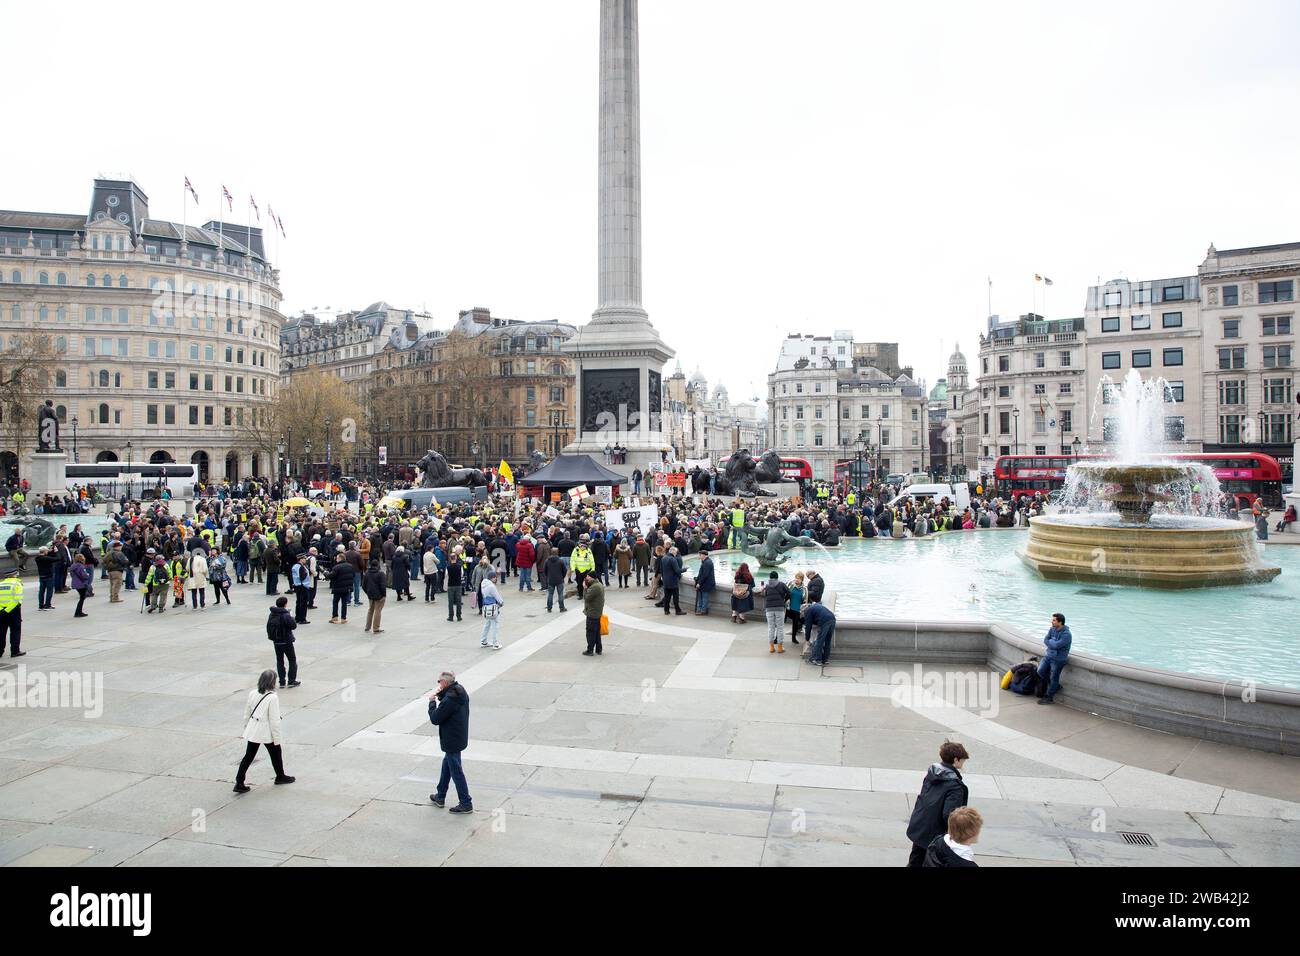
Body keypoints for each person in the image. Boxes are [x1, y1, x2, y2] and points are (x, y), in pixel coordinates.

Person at [905, 741, 970, 867]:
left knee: (915, 860)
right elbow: (950, 815)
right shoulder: (955, 786)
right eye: (962, 760)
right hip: (935, 834)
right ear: (956, 760)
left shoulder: (933, 774)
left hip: (921, 825)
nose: (963, 762)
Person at [233, 669, 295, 793]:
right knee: (276, 753)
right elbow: (274, 720)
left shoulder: (252, 693)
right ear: (272, 682)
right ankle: (280, 776)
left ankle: (239, 781)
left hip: (254, 730)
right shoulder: (272, 697)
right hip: (265, 732)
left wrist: (247, 728)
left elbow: (247, 713)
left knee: (248, 756)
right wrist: (277, 738)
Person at [428, 670, 473, 814]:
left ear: (445, 682)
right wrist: (440, 693)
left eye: (439, 681)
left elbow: (435, 718)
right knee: (446, 765)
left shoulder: (450, 699)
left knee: (456, 771)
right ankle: (440, 796)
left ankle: (466, 802)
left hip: (451, 739)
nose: (438, 683)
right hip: (458, 736)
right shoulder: (459, 691)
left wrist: (431, 702)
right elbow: (448, 704)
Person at [1037, 612, 1072, 705]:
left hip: (1058, 659)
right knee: (1040, 671)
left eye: (1054, 620)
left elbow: (1056, 645)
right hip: (1048, 656)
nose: (1051, 622)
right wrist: (1052, 643)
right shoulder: (1052, 629)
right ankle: (1055, 686)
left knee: (1054, 677)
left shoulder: (1066, 634)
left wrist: (1051, 642)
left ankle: (1049, 697)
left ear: (1060, 622)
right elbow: (1045, 640)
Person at [267, 595, 300, 688]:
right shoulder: (285, 615)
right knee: (292, 660)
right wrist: (291, 616)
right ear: (285, 604)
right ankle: (291, 680)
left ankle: (282, 681)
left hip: (276, 641)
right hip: (286, 640)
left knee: (280, 660)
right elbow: (293, 626)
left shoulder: (272, 614)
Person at [761, 571, 790, 653]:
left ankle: (771, 647)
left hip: (769, 609)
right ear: (777, 577)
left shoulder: (767, 586)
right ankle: (780, 648)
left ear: (770, 577)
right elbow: (789, 593)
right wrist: (784, 600)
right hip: (780, 608)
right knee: (780, 627)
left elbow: (765, 595)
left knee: (771, 627)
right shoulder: (781, 584)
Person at [0, 567, 24, 658]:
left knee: (1, 632)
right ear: (15, 574)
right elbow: (17, 600)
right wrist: (8, 609)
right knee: (15, 631)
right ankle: (15, 651)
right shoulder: (17, 584)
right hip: (14, 611)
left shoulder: (1, 584)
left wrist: (2, 609)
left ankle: (0, 651)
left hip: (1, 611)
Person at [803, 600, 836, 666]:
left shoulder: (807, 611)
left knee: (819, 641)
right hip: (832, 619)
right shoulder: (815, 606)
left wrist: (807, 639)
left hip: (825, 621)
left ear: (803, 611)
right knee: (827, 641)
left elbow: (808, 626)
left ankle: (817, 660)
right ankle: (825, 659)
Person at [328, 546, 355, 623]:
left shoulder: (336, 567)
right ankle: (343, 618)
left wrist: (326, 573)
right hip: (347, 587)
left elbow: (331, 576)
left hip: (338, 587)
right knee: (344, 603)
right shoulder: (350, 566)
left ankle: (335, 616)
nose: (336, 559)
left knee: (335, 602)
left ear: (340, 559)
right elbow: (353, 575)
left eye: (337, 558)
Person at [479, 568, 503, 649]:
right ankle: (495, 643)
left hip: (486, 607)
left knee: (487, 624)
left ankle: (483, 641)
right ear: (492, 578)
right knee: (495, 625)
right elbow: (497, 597)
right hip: (493, 608)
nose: (496, 578)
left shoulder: (483, 584)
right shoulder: (491, 586)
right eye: (495, 577)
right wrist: (502, 602)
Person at [582, 571, 605, 656]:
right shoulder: (598, 585)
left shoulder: (595, 587)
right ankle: (598, 649)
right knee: (596, 632)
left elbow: (587, 598)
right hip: (597, 612)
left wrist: (584, 588)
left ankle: (590, 650)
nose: (586, 578)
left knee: (590, 632)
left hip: (593, 612)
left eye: (587, 576)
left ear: (591, 577)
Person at [362, 558, 387, 633]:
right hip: (379, 595)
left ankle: (367, 626)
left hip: (370, 594)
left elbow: (363, 585)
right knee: (377, 611)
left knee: (370, 610)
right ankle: (376, 628)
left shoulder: (367, 573)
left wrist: (368, 592)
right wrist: (384, 595)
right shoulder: (381, 574)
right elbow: (383, 586)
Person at [659, 546, 685, 615]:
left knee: (667, 596)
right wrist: (685, 569)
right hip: (673, 581)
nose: (676, 553)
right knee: (675, 597)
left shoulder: (664, 558)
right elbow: (677, 571)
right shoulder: (673, 559)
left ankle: (666, 610)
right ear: (673, 551)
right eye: (676, 552)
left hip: (666, 581)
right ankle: (678, 610)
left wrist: (663, 577)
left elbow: (661, 569)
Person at [290, 553, 312, 624]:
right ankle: (302, 619)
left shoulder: (295, 566)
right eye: (304, 559)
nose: (305, 560)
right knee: (303, 603)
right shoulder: (301, 567)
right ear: (301, 559)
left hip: (297, 585)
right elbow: (302, 576)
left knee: (298, 602)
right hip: (303, 586)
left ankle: (298, 617)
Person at [445, 549, 464, 622]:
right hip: (458, 585)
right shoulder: (459, 566)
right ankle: (459, 616)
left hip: (450, 585)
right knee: (458, 601)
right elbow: (462, 574)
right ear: (456, 558)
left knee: (450, 602)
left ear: (450, 558)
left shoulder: (448, 567)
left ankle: (451, 616)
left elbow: (446, 575)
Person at [786, 571, 806, 644]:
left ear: (802, 580)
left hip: (797, 609)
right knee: (781, 623)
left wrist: (802, 610)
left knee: (795, 625)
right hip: (788, 608)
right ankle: (777, 637)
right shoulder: (790, 585)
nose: (797, 579)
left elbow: (805, 601)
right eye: (796, 578)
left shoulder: (804, 589)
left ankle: (793, 638)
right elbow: (785, 593)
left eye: (799, 578)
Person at [69, 553, 91, 618]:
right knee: (82, 598)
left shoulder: (73, 566)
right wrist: (87, 575)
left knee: (82, 597)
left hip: (75, 583)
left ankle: (78, 612)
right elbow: (83, 575)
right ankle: (78, 612)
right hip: (81, 584)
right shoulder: (80, 566)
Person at [694, 549, 715, 615]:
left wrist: (699, 583)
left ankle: (703, 611)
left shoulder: (707, 563)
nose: (699, 556)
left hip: (706, 584)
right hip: (705, 583)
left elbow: (705, 575)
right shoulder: (706, 561)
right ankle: (702, 610)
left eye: (700, 555)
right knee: (703, 597)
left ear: (703, 555)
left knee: (704, 598)